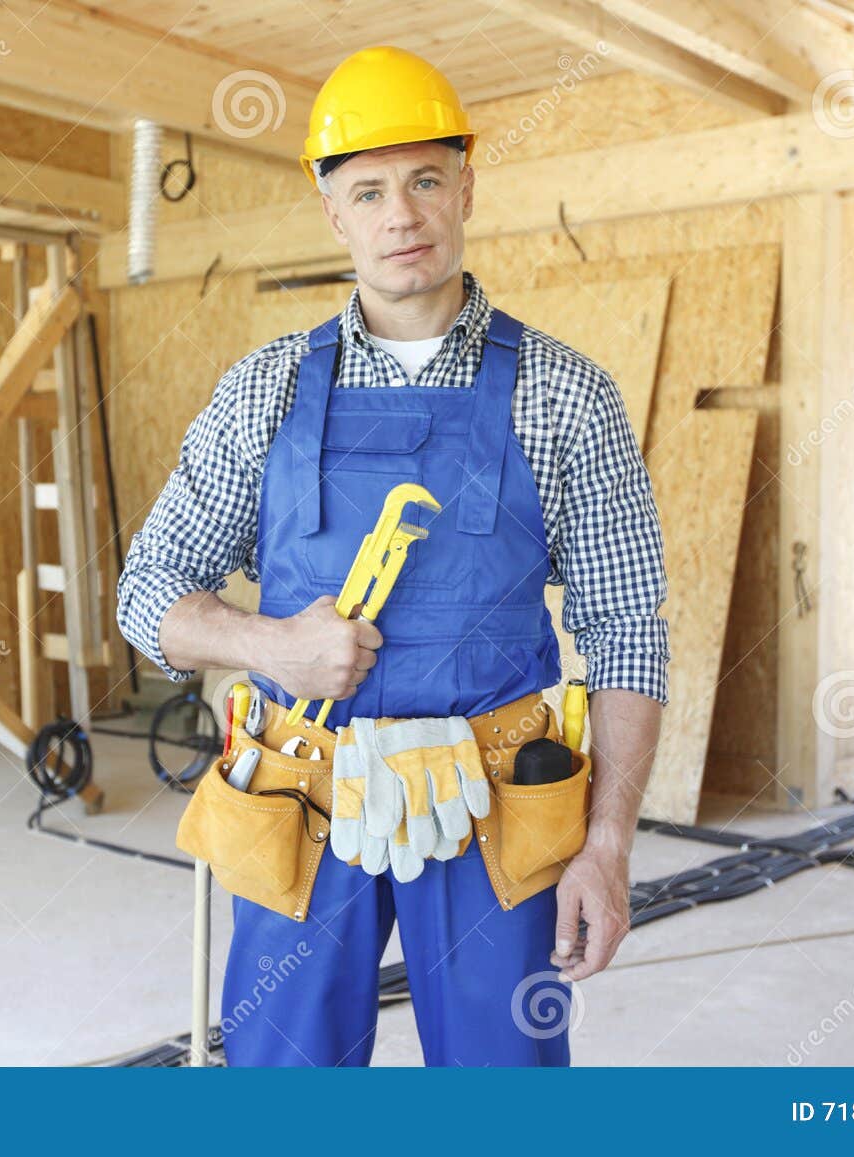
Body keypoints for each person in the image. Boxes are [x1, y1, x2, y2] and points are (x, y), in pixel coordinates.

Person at [117, 45, 668, 1066]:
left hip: (494, 800)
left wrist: (608, 841)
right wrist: (269, 644)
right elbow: (147, 591)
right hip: (300, 790)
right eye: (368, 190)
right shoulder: (263, 390)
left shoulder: (566, 393)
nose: (400, 216)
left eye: (423, 180)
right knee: (284, 1077)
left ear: (466, 185)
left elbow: (628, 626)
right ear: (333, 212)